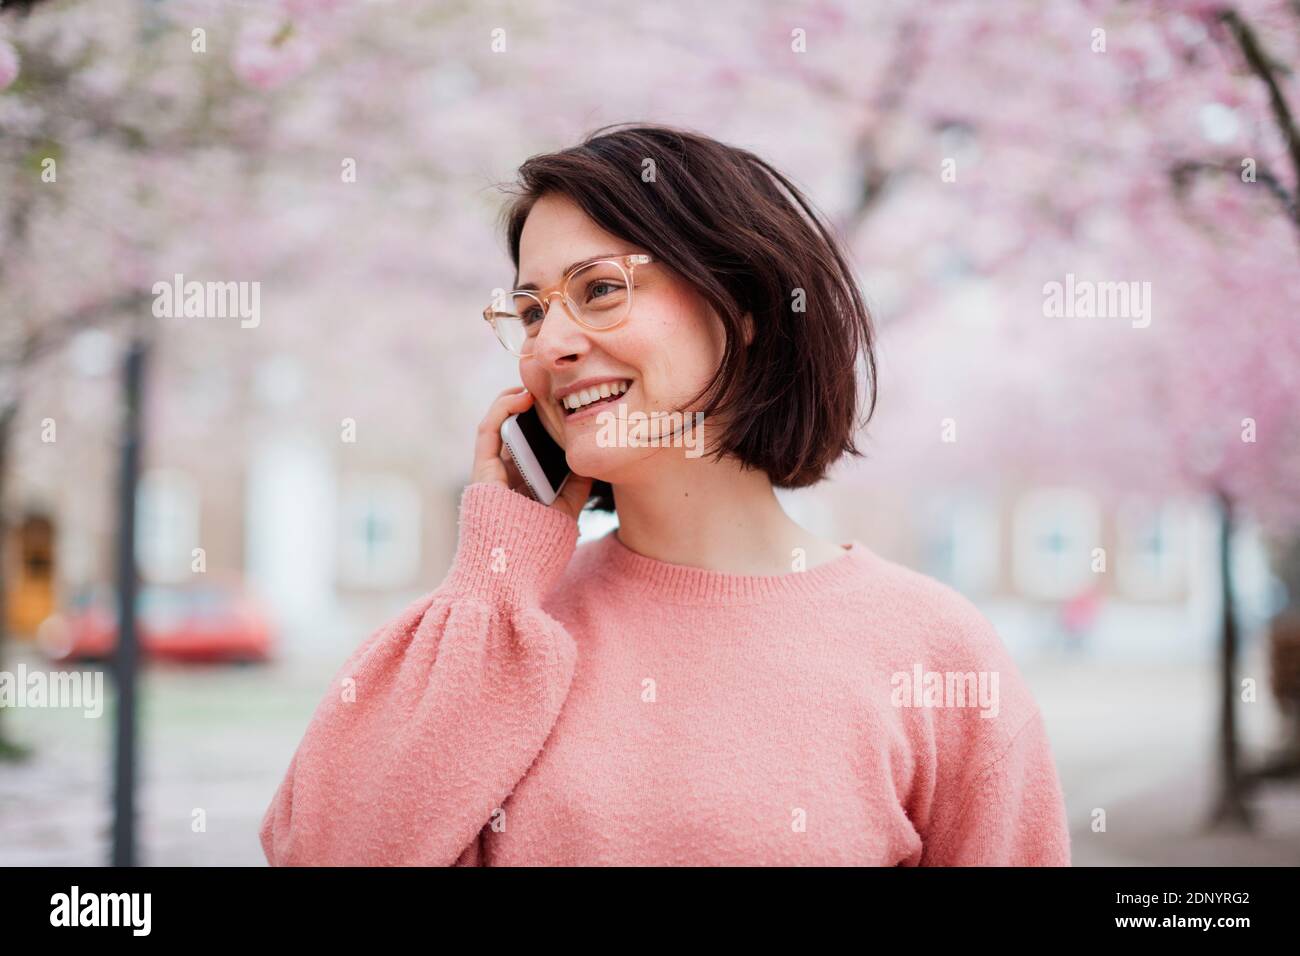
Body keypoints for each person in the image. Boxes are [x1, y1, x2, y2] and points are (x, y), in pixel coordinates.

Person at [260, 123, 1070, 866]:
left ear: (745, 306)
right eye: (531, 310)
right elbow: (325, 851)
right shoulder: (502, 633)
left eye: (600, 289)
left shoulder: (933, 650)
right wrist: (495, 572)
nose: (553, 345)